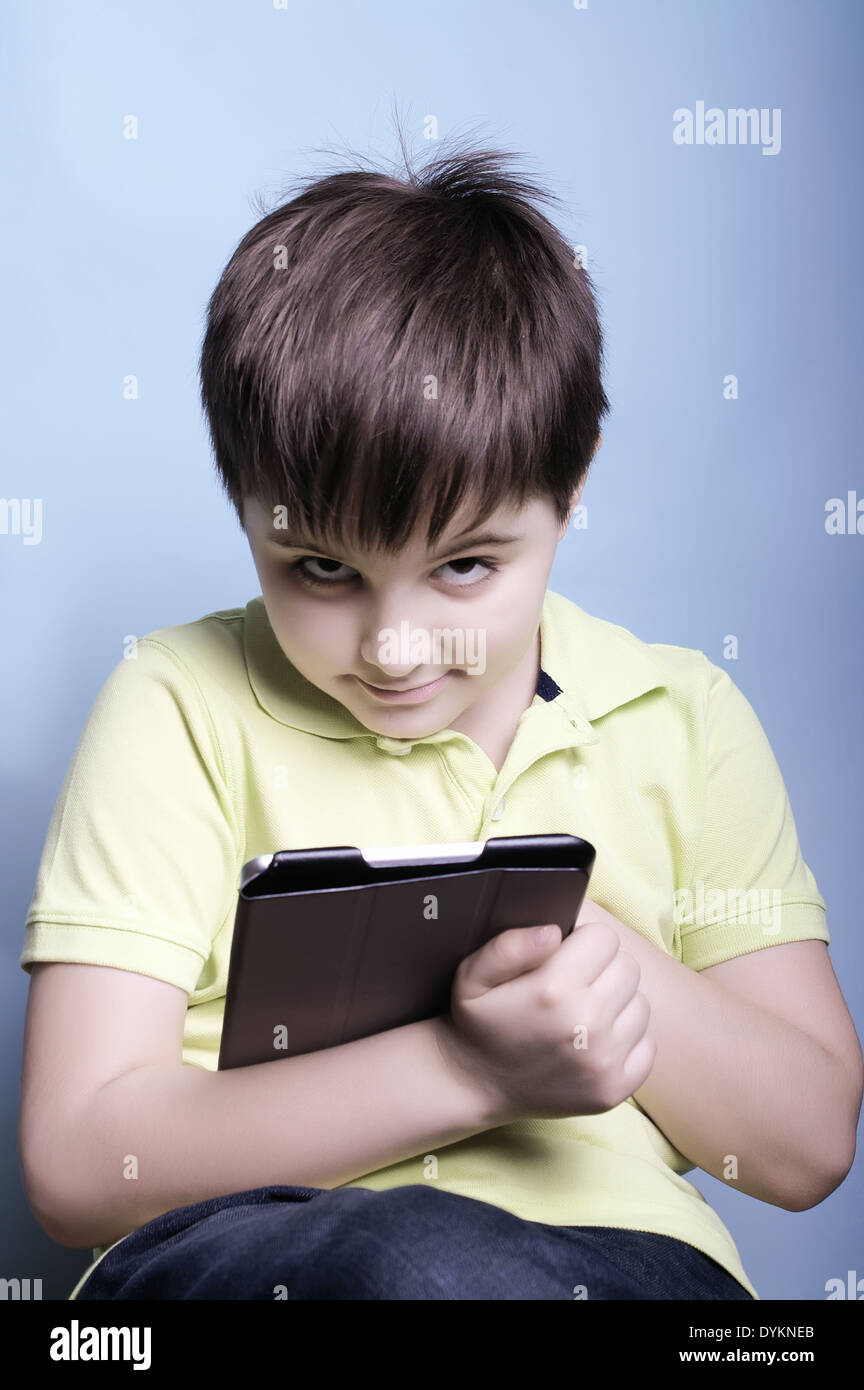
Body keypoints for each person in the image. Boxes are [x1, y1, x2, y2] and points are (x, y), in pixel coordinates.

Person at [18, 139, 863, 1302]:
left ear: (573, 488)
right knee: (426, 1265)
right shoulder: (178, 702)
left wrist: (604, 972)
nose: (396, 648)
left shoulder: (684, 715)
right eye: (320, 567)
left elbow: (810, 1142)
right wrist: (466, 1067)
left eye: (465, 566)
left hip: (624, 1270)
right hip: (257, 1256)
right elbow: (76, 1163)